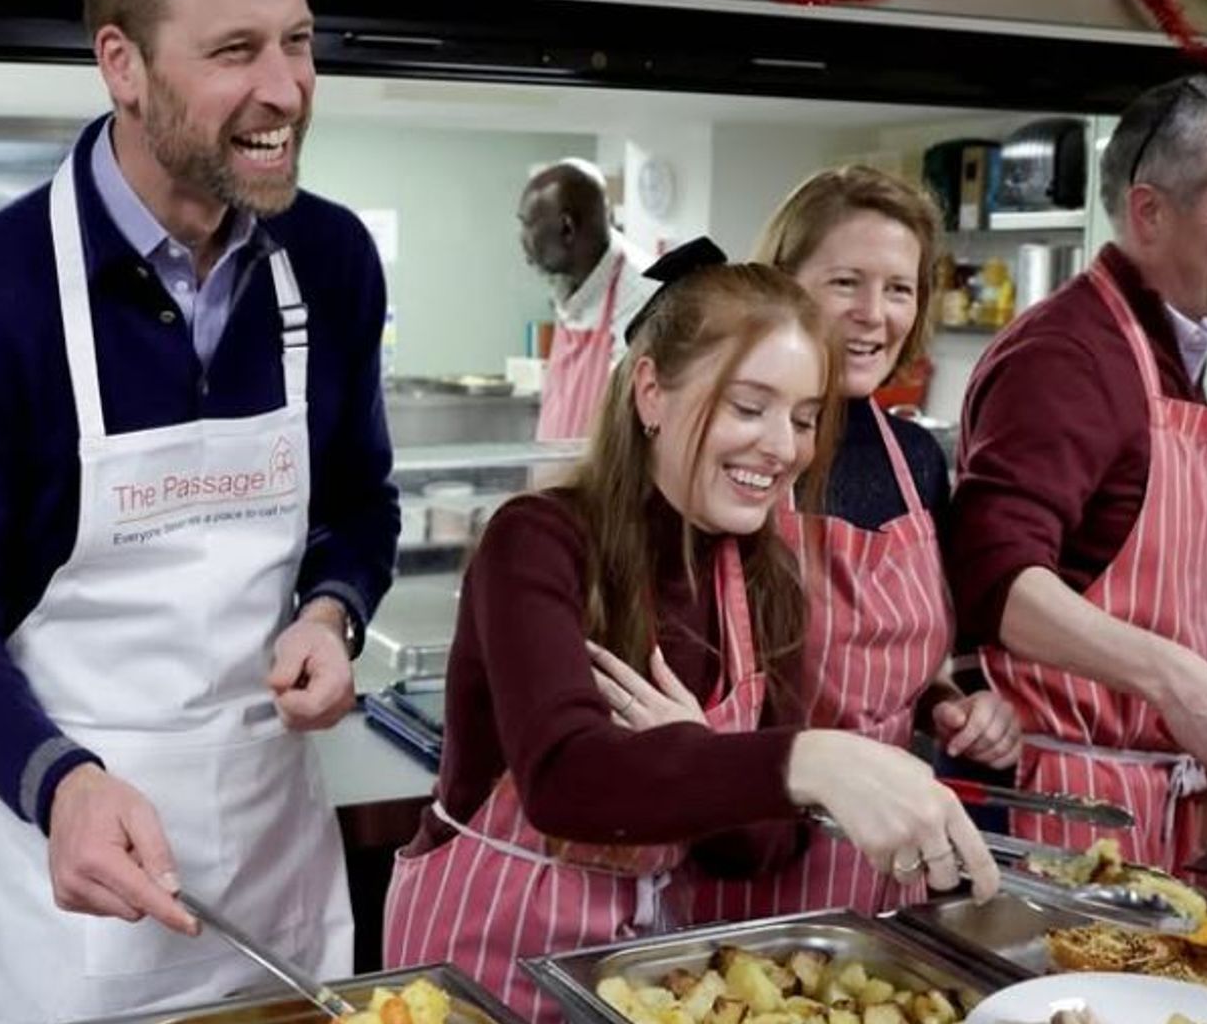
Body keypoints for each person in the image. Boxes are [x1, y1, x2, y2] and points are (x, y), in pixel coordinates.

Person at [0, 0, 398, 1023]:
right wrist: (54, 784)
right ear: (122, 64)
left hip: (280, 865)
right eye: (234, 51)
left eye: (298, 42)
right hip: (80, 896)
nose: (284, 90)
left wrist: (330, 614)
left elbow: (360, 503)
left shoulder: (332, 260)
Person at [382, 252, 998, 1024]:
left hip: (639, 984)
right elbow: (567, 778)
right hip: (480, 978)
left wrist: (693, 750)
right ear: (651, 393)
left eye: (804, 419)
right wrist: (811, 758)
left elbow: (767, 846)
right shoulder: (537, 543)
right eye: (749, 407)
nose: (783, 447)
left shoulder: (757, 574)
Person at [949, 73, 1207, 869]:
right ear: (1150, 212)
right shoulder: (1069, 357)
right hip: (1058, 813)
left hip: (1132, 808)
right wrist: (1181, 681)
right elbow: (994, 578)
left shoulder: (1158, 345)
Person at [685, 167, 1021, 923]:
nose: (876, 315)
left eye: (900, 289)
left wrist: (956, 705)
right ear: (783, 286)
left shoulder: (918, 459)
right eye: (847, 282)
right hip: (746, 856)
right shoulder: (737, 457)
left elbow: (910, 668)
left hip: (893, 860)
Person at [522, 159, 655, 441]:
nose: (522, 240)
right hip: (560, 476)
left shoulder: (644, 295)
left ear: (567, 229)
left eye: (527, 225)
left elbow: (629, 431)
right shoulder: (570, 282)